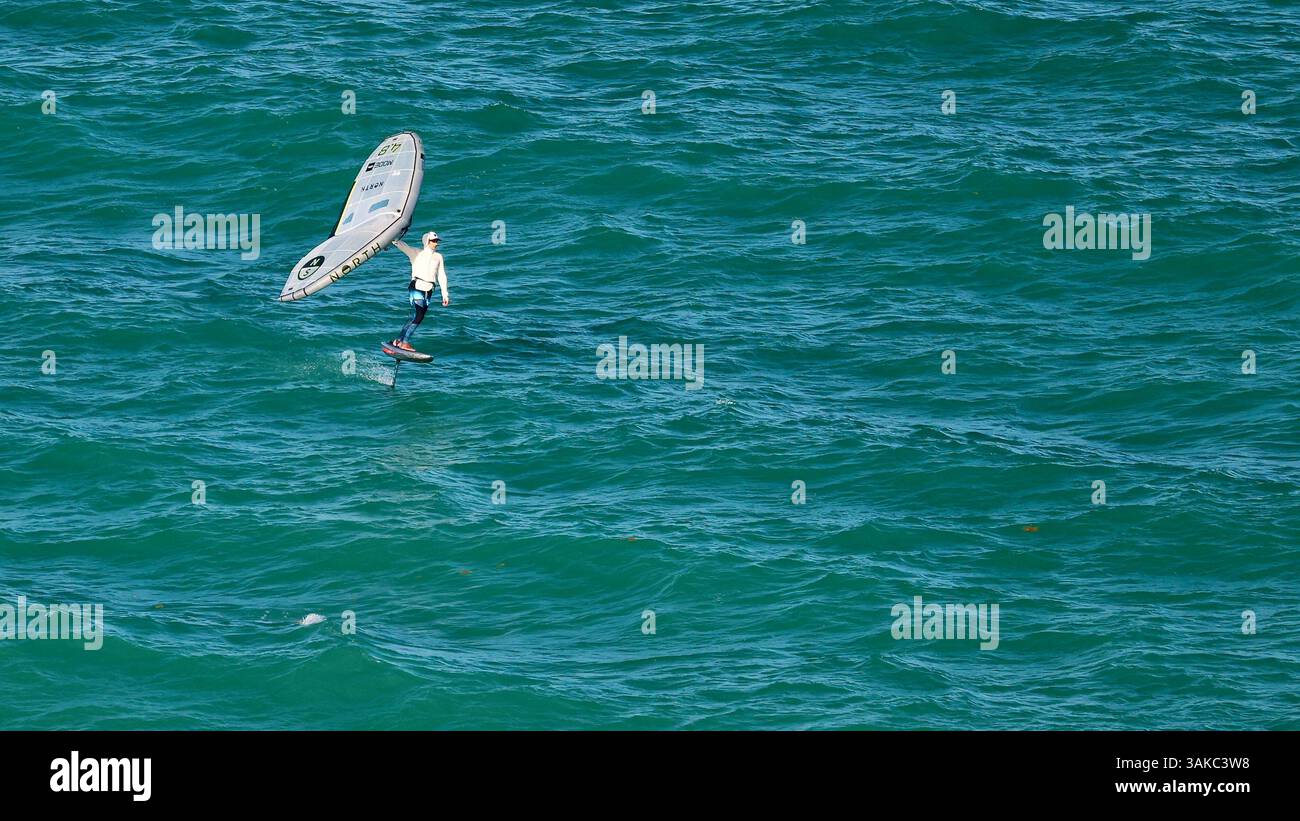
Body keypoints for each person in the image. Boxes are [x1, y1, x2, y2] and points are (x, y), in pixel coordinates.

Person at [390, 231, 450, 351]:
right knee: (418, 316)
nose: (436, 243)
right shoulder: (416, 253)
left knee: (416, 316)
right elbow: (400, 244)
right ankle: (405, 342)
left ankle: (398, 341)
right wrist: (393, 235)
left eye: (437, 241)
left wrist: (445, 294)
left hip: (429, 289)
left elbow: (442, 275)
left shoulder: (439, 257)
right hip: (417, 285)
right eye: (434, 241)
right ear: (427, 241)